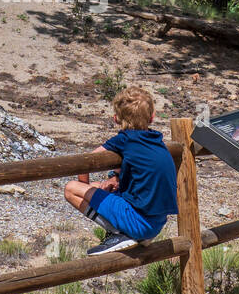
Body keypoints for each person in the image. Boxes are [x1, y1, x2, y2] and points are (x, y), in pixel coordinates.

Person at [63, 86, 178, 255]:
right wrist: (113, 178)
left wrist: (85, 189)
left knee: (71, 189)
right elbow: (135, 165)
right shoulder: (156, 141)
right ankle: (130, 232)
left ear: (116, 118)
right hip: (157, 223)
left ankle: (119, 234)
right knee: (97, 186)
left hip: (139, 223)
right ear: (152, 117)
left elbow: (85, 162)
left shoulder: (125, 140)